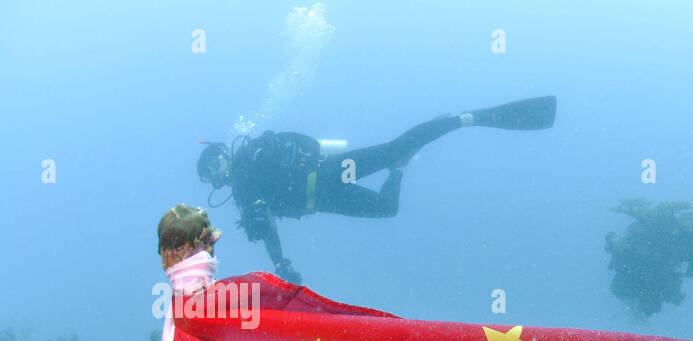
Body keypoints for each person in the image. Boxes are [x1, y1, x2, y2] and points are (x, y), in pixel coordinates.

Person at [196, 95, 557, 282]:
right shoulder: (244, 198)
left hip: (330, 172)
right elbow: (270, 229)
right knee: (388, 207)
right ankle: (400, 169)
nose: (216, 175)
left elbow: (295, 153)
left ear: (223, 156)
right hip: (325, 200)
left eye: (214, 164)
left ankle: (464, 119)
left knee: (392, 148)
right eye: (210, 175)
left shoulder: (253, 158)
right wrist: (279, 262)